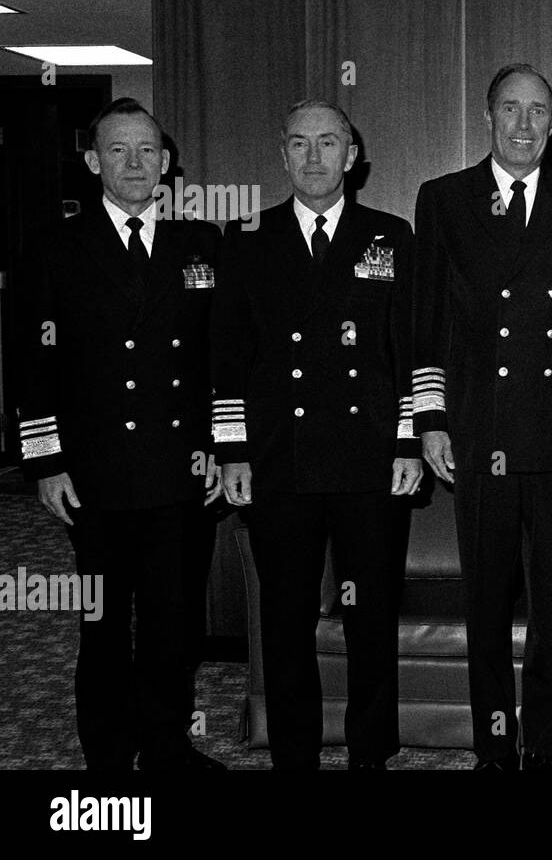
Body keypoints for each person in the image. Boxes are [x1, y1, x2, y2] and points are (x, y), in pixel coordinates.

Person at [210, 100, 422, 770]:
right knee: (286, 620)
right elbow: (227, 357)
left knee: (370, 619)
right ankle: (293, 755)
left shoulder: (391, 237)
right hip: (281, 463)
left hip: (369, 463)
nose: (313, 157)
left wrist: (409, 443)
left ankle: (369, 753)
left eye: (327, 142)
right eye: (299, 143)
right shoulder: (244, 238)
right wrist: (235, 452)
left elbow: (410, 352)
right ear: (282, 155)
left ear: (352, 154)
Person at [17, 97, 225, 771]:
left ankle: (167, 746)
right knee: (103, 624)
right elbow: (33, 360)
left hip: (178, 469)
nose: (134, 165)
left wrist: (221, 447)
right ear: (92, 161)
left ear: (166, 163)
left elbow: (219, 356)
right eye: (117, 151)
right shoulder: (56, 247)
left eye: (146, 152)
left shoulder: (202, 243)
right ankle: (107, 757)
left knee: (173, 624)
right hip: (96, 473)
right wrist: (46, 461)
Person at [412, 63, 552, 771]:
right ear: (488, 116)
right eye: (512, 110)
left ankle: (544, 744)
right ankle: (494, 746)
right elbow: (425, 320)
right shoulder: (445, 200)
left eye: (539, 113)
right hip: (478, 431)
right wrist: (429, 419)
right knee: (486, 603)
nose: (525, 125)